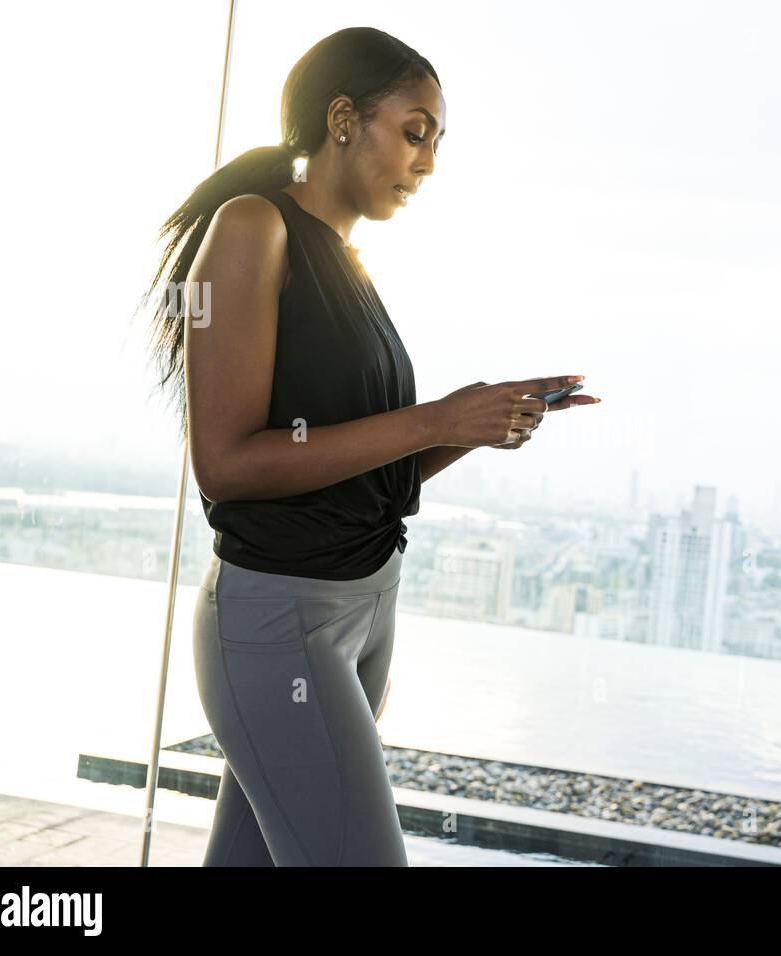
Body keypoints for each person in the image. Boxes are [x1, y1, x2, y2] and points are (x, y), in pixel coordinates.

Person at [139, 26, 598, 866]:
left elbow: (361, 470)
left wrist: (475, 426)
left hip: (363, 611)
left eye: (436, 142)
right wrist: (435, 418)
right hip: (280, 622)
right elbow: (227, 464)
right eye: (416, 131)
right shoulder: (251, 227)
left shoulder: (350, 263)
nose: (427, 161)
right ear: (343, 119)